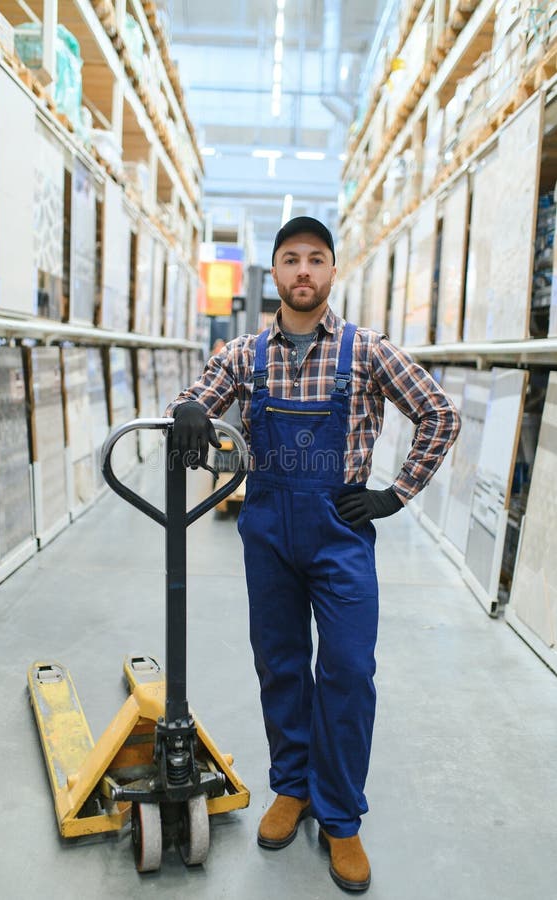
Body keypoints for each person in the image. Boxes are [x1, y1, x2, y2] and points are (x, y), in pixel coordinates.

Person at [167, 216, 461, 893]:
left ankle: (340, 816)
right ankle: (291, 788)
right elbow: (195, 403)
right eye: (291, 260)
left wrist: (396, 494)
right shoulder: (243, 355)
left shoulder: (367, 351)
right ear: (273, 274)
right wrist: (188, 412)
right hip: (267, 527)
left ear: (332, 273)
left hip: (339, 532)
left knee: (349, 671)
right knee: (280, 663)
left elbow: (439, 414)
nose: (304, 271)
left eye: (316, 260)